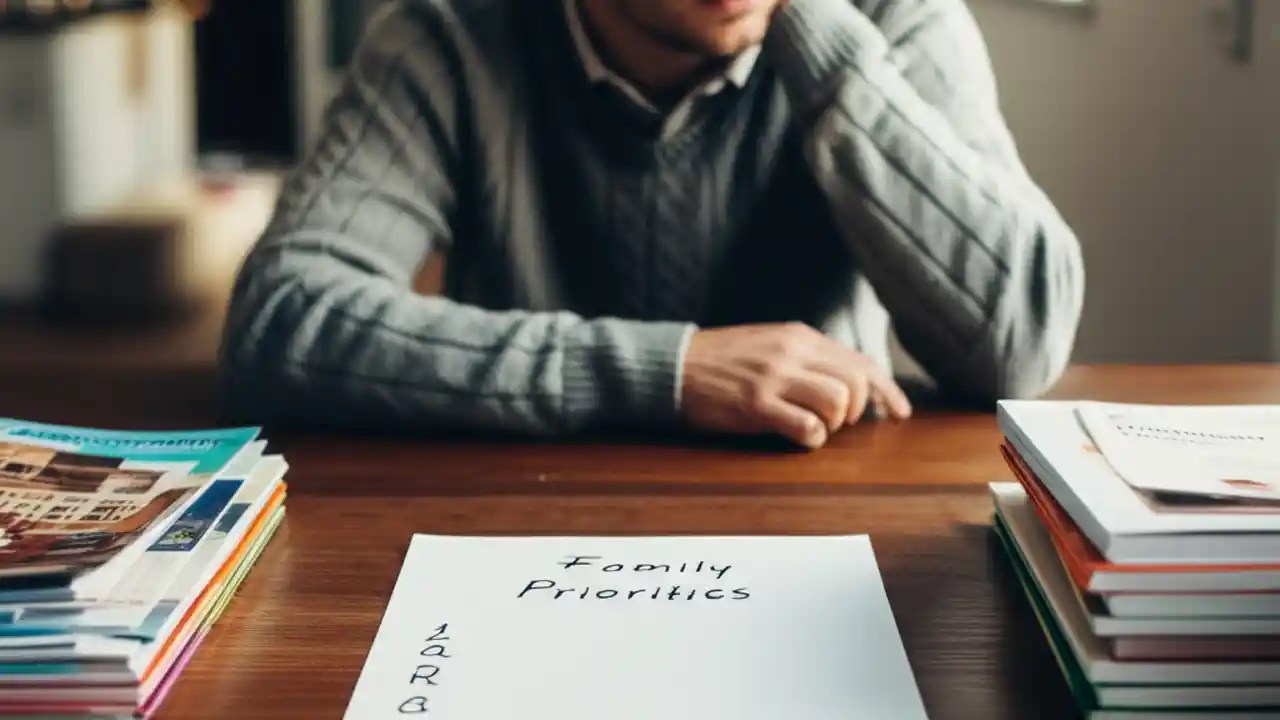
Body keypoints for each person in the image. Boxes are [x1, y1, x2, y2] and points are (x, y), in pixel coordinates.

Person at [220, 0, 1084, 449]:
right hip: (509, 526)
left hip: (835, 514)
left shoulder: (895, 23)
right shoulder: (443, 38)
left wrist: (822, 48)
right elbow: (283, 320)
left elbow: (1020, 341)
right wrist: (663, 373)